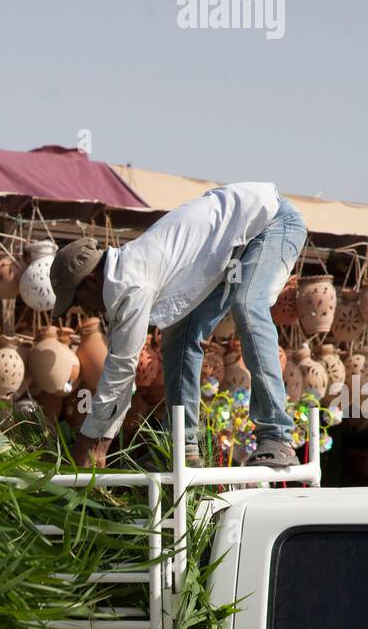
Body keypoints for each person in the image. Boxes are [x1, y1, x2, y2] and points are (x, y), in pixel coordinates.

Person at [49, 182, 308, 469]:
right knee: (179, 336)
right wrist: (99, 440)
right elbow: (120, 372)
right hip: (235, 248)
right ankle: (183, 444)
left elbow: (122, 369)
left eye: (78, 300)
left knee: (247, 305)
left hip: (272, 222)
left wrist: (90, 442)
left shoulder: (129, 281)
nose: (84, 309)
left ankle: (277, 435)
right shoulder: (126, 276)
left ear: (90, 281)